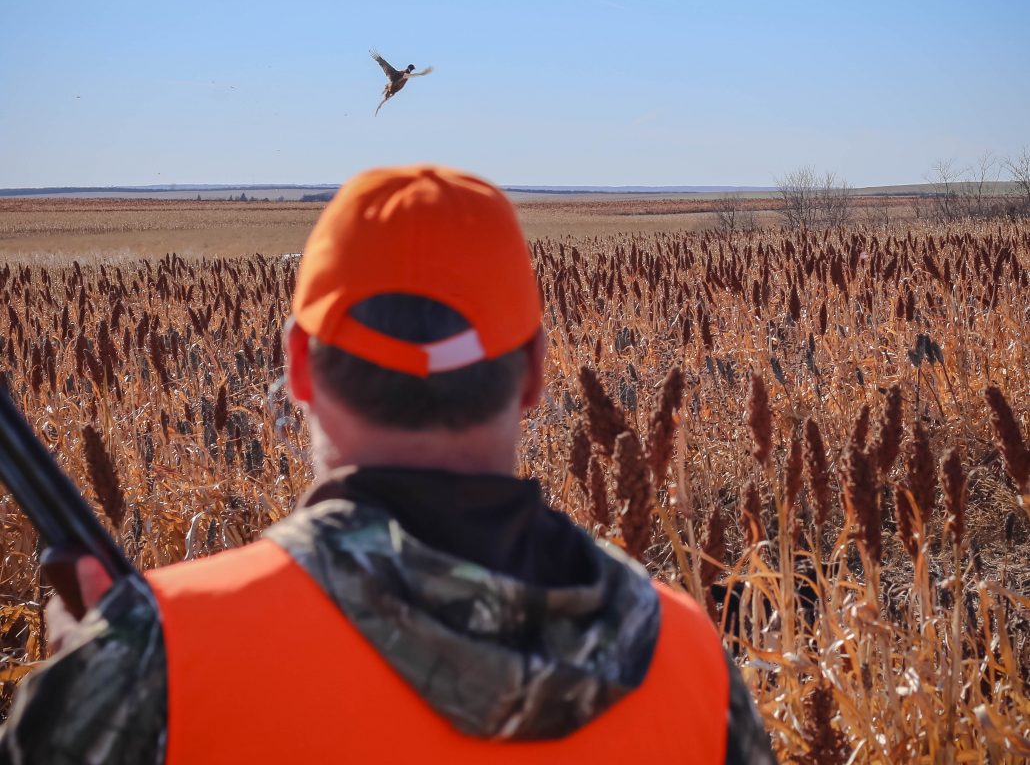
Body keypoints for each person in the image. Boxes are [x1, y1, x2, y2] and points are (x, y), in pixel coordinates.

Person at [0, 164, 776, 764]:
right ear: (536, 372)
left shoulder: (166, 654)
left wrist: (94, 689)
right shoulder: (690, 657)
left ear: (298, 365)